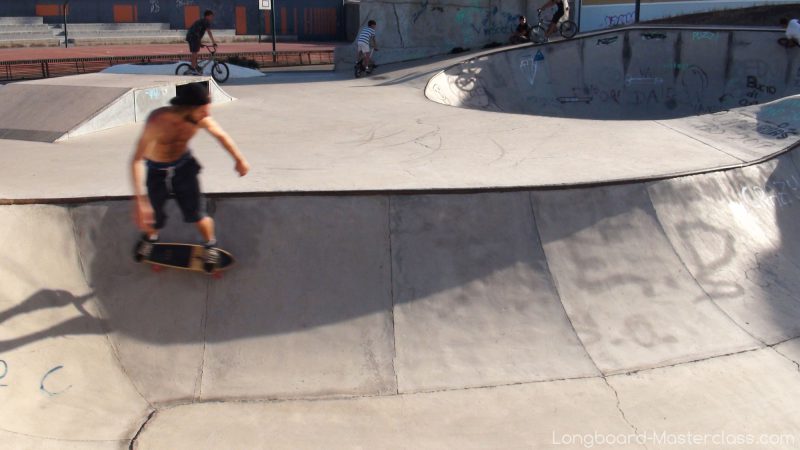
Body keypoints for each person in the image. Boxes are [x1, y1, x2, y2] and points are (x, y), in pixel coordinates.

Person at [131, 82, 250, 271]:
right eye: (203, 111)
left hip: (183, 166)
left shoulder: (200, 119)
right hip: (156, 170)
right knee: (153, 217)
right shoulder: (157, 121)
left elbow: (222, 136)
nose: (207, 115)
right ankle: (151, 240)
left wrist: (239, 159)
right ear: (188, 108)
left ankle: (210, 245)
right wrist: (139, 201)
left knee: (197, 214)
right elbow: (136, 159)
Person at [186, 9, 218, 74]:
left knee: (195, 52)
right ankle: (192, 68)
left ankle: (195, 66)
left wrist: (199, 43)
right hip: (193, 37)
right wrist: (213, 42)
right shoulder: (206, 21)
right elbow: (209, 32)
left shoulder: (202, 21)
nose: (212, 18)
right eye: (211, 16)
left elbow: (198, 32)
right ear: (207, 16)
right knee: (194, 52)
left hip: (192, 37)